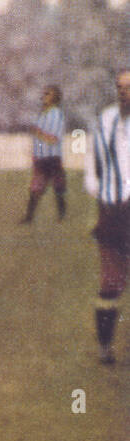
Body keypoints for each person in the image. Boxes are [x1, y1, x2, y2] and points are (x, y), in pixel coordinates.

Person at [86, 68, 130, 365]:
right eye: (120, 86)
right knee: (111, 281)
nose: (123, 92)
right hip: (114, 212)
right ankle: (105, 347)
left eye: (128, 87)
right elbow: (92, 168)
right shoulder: (106, 120)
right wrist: (104, 199)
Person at [20, 85, 66, 224]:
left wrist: (38, 133)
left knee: (57, 186)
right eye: (44, 93)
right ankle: (29, 218)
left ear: (55, 97)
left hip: (52, 157)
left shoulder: (56, 114)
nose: (44, 96)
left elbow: (54, 138)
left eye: (48, 93)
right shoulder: (43, 114)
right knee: (36, 188)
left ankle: (62, 216)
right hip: (41, 158)